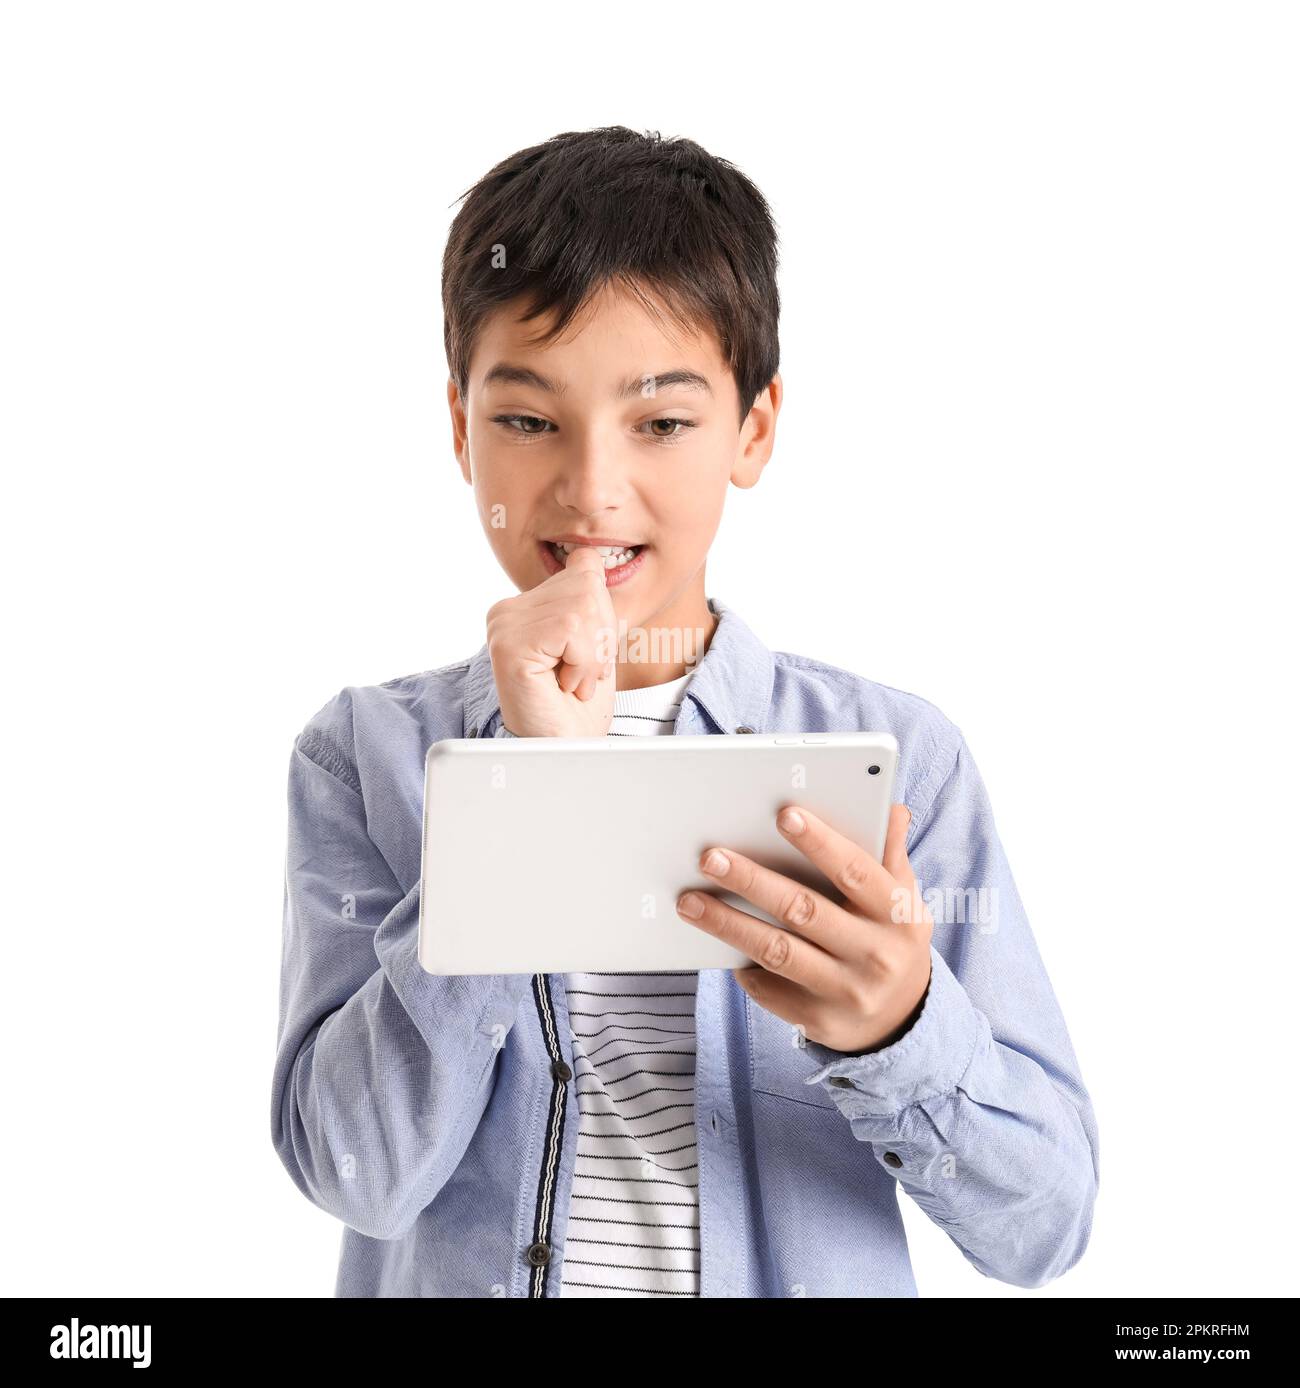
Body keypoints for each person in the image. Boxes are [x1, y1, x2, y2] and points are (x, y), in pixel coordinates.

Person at [271, 125, 1099, 1298]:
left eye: (660, 422)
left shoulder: (900, 759)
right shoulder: (367, 754)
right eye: (525, 418)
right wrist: (523, 799)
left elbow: (1045, 1224)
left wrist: (899, 1024)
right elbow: (353, 1170)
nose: (591, 486)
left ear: (752, 429)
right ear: (459, 427)